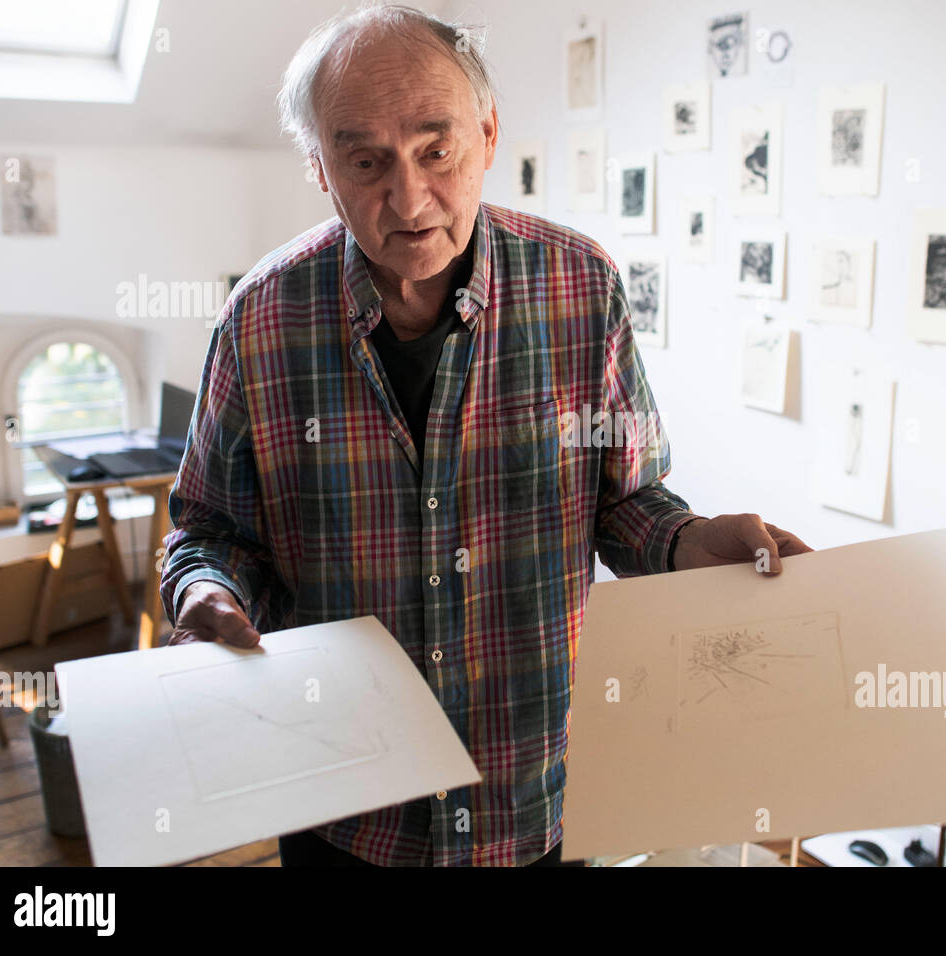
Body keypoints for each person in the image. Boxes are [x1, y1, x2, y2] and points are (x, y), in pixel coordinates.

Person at [161, 3, 812, 867]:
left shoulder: (582, 288)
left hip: (535, 797)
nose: (410, 198)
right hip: (344, 809)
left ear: (489, 133)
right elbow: (209, 531)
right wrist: (204, 592)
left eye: (437, 150)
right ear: (320, 168)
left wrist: (690, 542)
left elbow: (624, 503)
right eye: (366, 161)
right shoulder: (260, 320)